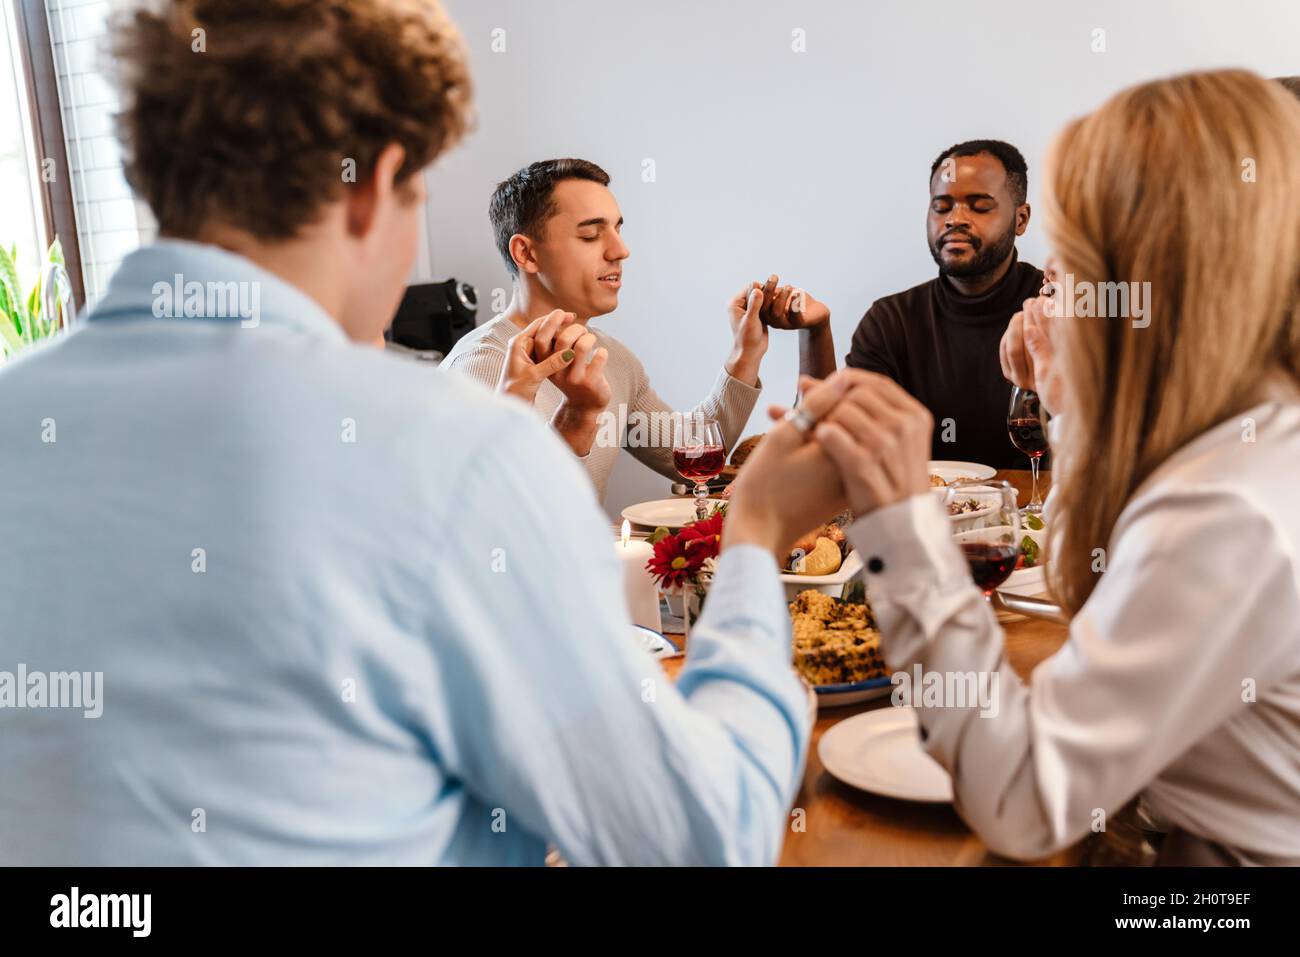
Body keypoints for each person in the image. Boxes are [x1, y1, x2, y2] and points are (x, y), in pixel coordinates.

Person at [0, 0, 855, 866]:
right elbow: (703, 834)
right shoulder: (449, 445)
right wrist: (753, 540)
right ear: (377, 185)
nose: (618, 251)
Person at [803, 69, 1300, 865]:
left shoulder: (1226, 509)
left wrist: (897, 518)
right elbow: (1089, 592)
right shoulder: (1252, 436)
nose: (1055, 281)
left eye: (1074, 249)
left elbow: (1027, 804)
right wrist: (1073, 407)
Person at [440, 159, 830, 501]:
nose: (620, 250)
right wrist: (577, 414)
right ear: (526, 253)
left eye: (618, 229)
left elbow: (693, 455)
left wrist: (745, 353)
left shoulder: (614, 362)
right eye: (591, 235)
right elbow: (493, 518)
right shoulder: (481, 367)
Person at [799, 140, 1045, 470]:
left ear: (1021, 219)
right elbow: (844, 442)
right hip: (924, 515)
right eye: (941, 206)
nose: (955, 219)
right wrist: (813, 332)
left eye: (979, 206)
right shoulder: (890, 321)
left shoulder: (1060, 309)